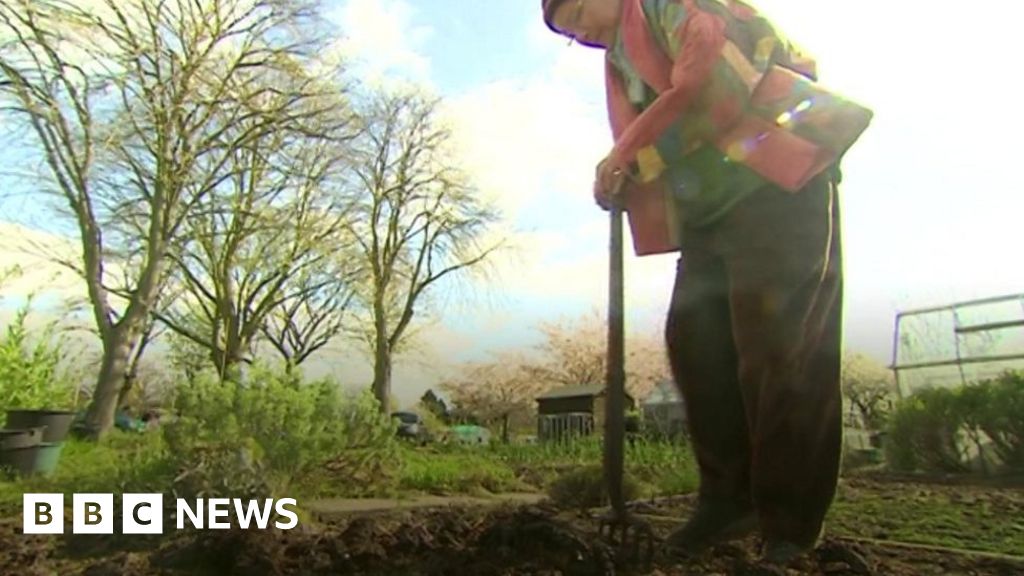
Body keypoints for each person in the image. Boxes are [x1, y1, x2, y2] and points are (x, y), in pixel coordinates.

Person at [542, 0, 866, 565]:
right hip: (712, 214)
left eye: (576, 15)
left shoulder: (673, 5)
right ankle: (728, 501)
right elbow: (653, 141)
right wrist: (623, 171)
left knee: (779, 347)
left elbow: (716, 82)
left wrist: (628, 156)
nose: (581, 34)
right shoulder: (621, 60)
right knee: (697, 344)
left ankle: (789, 524)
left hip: (776, 181)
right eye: (569, 33)